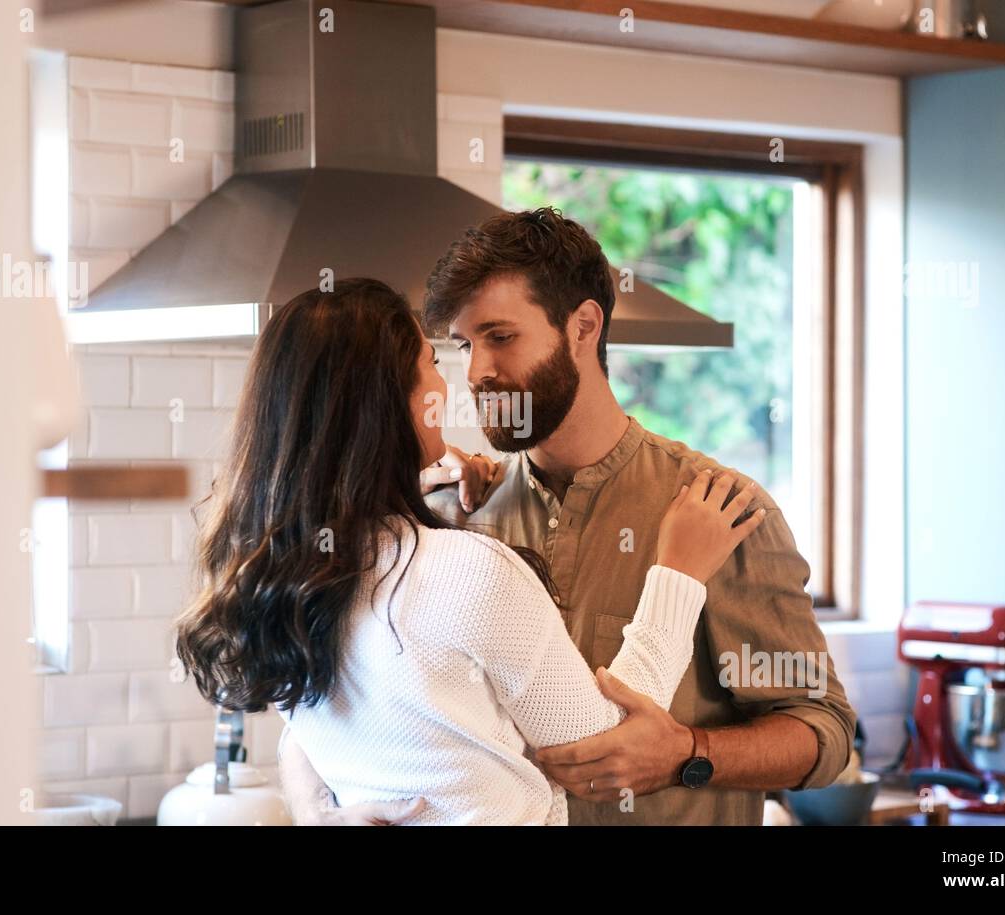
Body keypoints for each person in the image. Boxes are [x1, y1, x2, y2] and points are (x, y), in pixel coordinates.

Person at [279, 208, 857, 826]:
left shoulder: (720, 511)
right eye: (464, 345)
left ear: (583, 326)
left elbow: (822, 730)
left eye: (500, 337)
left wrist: (687, 753)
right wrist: (321, 810)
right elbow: (335, 706)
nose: (476, 372)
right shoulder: (452, 514)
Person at [174, 277, 767, 825]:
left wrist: (408, 486)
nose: (461, 379)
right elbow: (602, 746)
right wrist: (678, 574)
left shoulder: (271, 577)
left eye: (499, 337)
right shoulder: (466, 573)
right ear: (390, 405)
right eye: (437, 359)